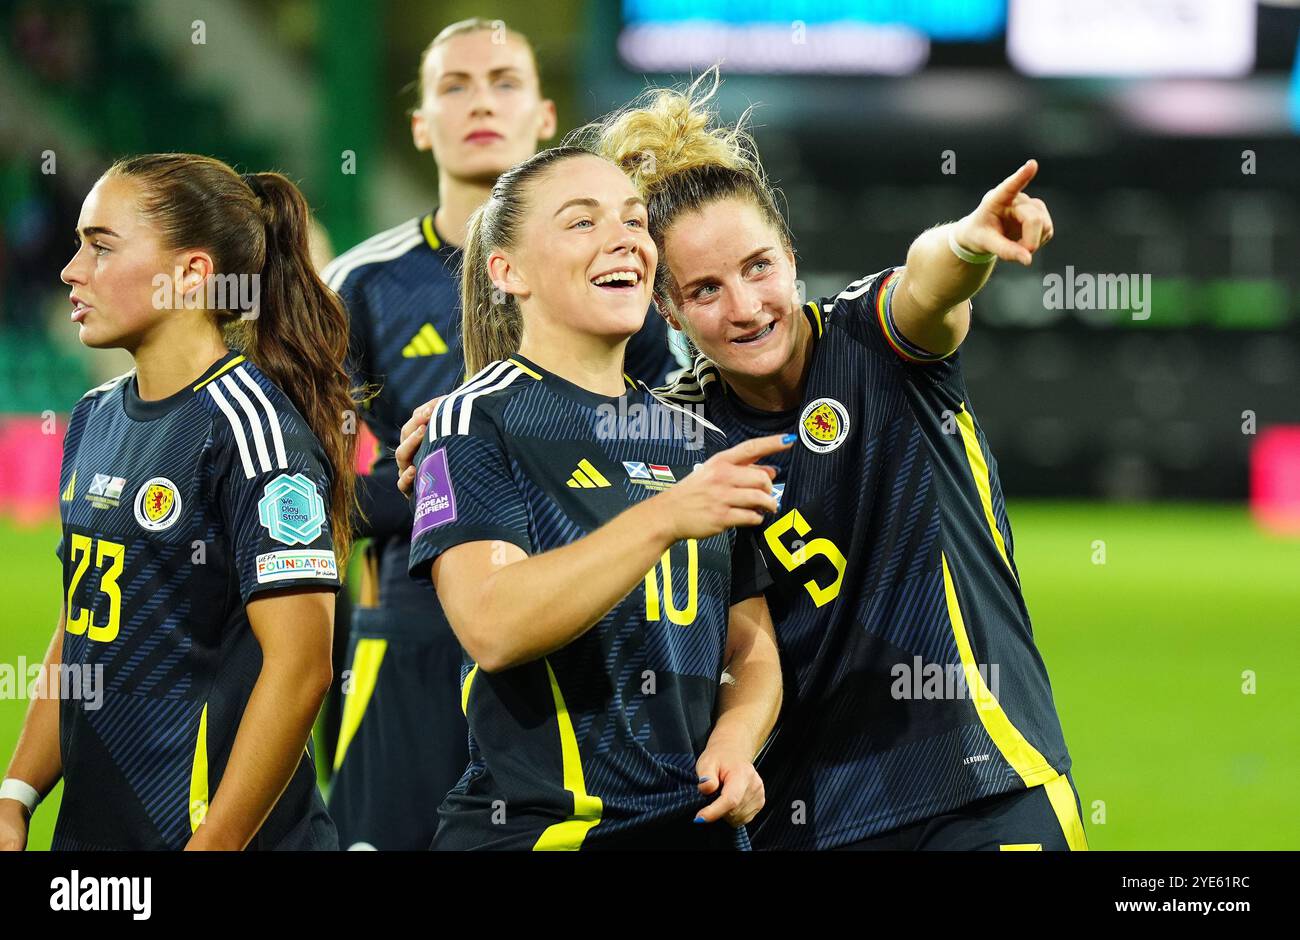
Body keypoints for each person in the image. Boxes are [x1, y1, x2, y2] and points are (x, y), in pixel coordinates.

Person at [397, 70, 1087, 851]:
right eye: (706, 290)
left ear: (792, 258)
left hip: (972, 782)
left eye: (759, 268)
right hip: (801, 807)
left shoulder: (870, 340)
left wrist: (966, 241)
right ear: (671, 308)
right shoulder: (686, 428)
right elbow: (580, 429)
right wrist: (474, 419)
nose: (746, 307)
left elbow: (928, 282)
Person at [322, 18, 683, 850]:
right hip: (405, 634)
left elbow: (666, 443)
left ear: (545, 115)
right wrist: (454, 482)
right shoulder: (360, 284)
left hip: (580, 627)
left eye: (505, 82)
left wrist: (487, 469)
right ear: (421, 125)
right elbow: (305, 496)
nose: (482, 101)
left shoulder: (622, 280)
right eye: (455, 85)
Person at [406, 144, 785, 849]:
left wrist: (737, 738)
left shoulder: (697, 439)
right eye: (582, 223)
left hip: (694, 831)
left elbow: (751, 643)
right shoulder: (473, 421)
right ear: (507, 270)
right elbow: (493, 625)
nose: (624, 240)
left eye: (635, 221)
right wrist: (664, 517)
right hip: (541, 834)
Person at [0, 154, 353, 851]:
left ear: (190, 274)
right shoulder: (95, 415)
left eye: (101, 247)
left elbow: (302, 665)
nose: (72, 271)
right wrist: (17, 794)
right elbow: (83, 626)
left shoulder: (253, 433)